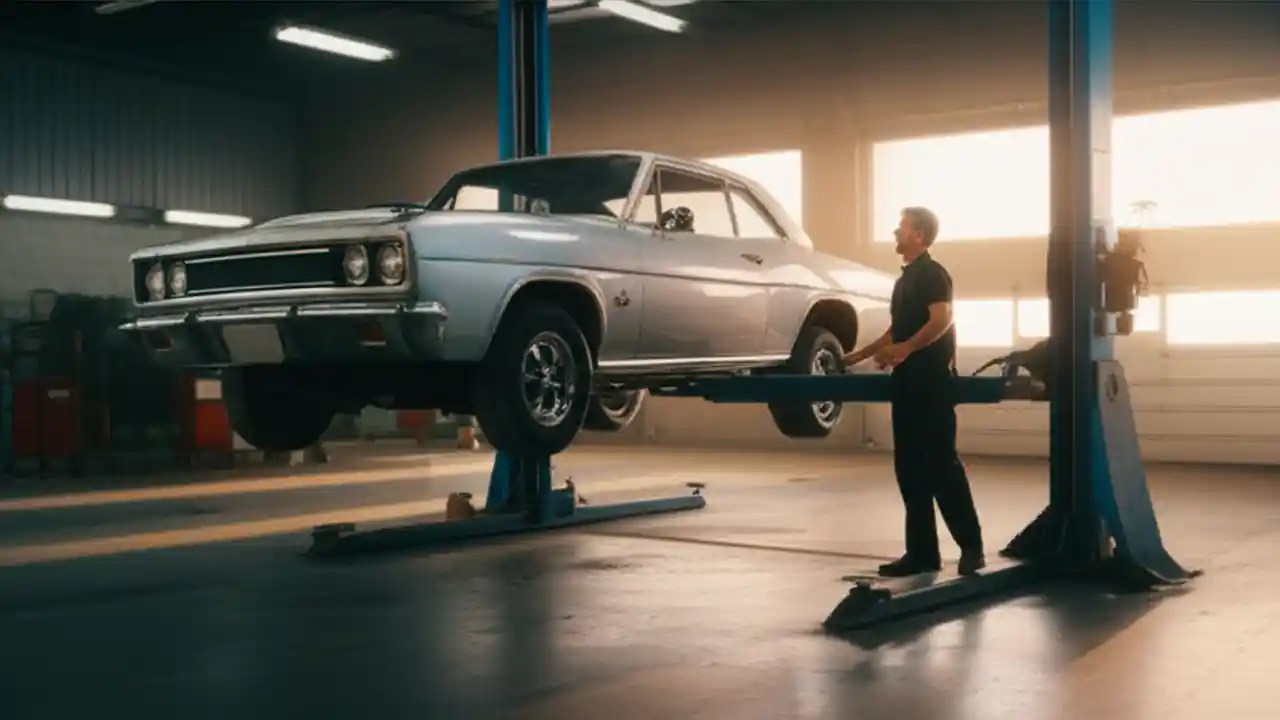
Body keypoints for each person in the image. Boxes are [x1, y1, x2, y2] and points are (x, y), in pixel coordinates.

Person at [843, 207, 985, 577]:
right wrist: (860, 355)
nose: (896, 232)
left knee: (941, 466)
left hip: (931, 382)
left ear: (919, 235)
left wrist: (906, 349)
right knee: (909, 469)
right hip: (905, 384)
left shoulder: (933, 274)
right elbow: (897, 331)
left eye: (902, 227)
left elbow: (942, 319)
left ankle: (972, 548)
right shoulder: (904, 281)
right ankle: (922, 555)